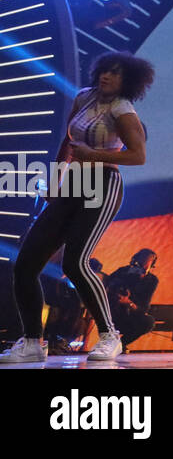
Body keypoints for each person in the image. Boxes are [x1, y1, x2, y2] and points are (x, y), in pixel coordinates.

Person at [0, 53, 152, 365]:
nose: (106, 76)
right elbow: (67, 144)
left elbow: (138, 156)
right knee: (26, 263)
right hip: (74, 184)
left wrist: (95, 155)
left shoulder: (123, 110)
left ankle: (110, 335)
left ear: (128, 81)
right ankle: (32, 341)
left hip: (104, 184)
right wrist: (56, 183)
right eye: (104, 70)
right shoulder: (83, 98)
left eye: (115, 73)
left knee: (76, 262)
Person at [106, 248, 160, 347]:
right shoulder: (123, 272)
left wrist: (128, 302)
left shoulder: (152, 280)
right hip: (113, 314)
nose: (143, 264)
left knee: (148, 321)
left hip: (131, 316)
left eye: (147, 261)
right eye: (142, 260)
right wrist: (125, 279)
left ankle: (119, 345)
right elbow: (107, 286)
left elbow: (143, 308)